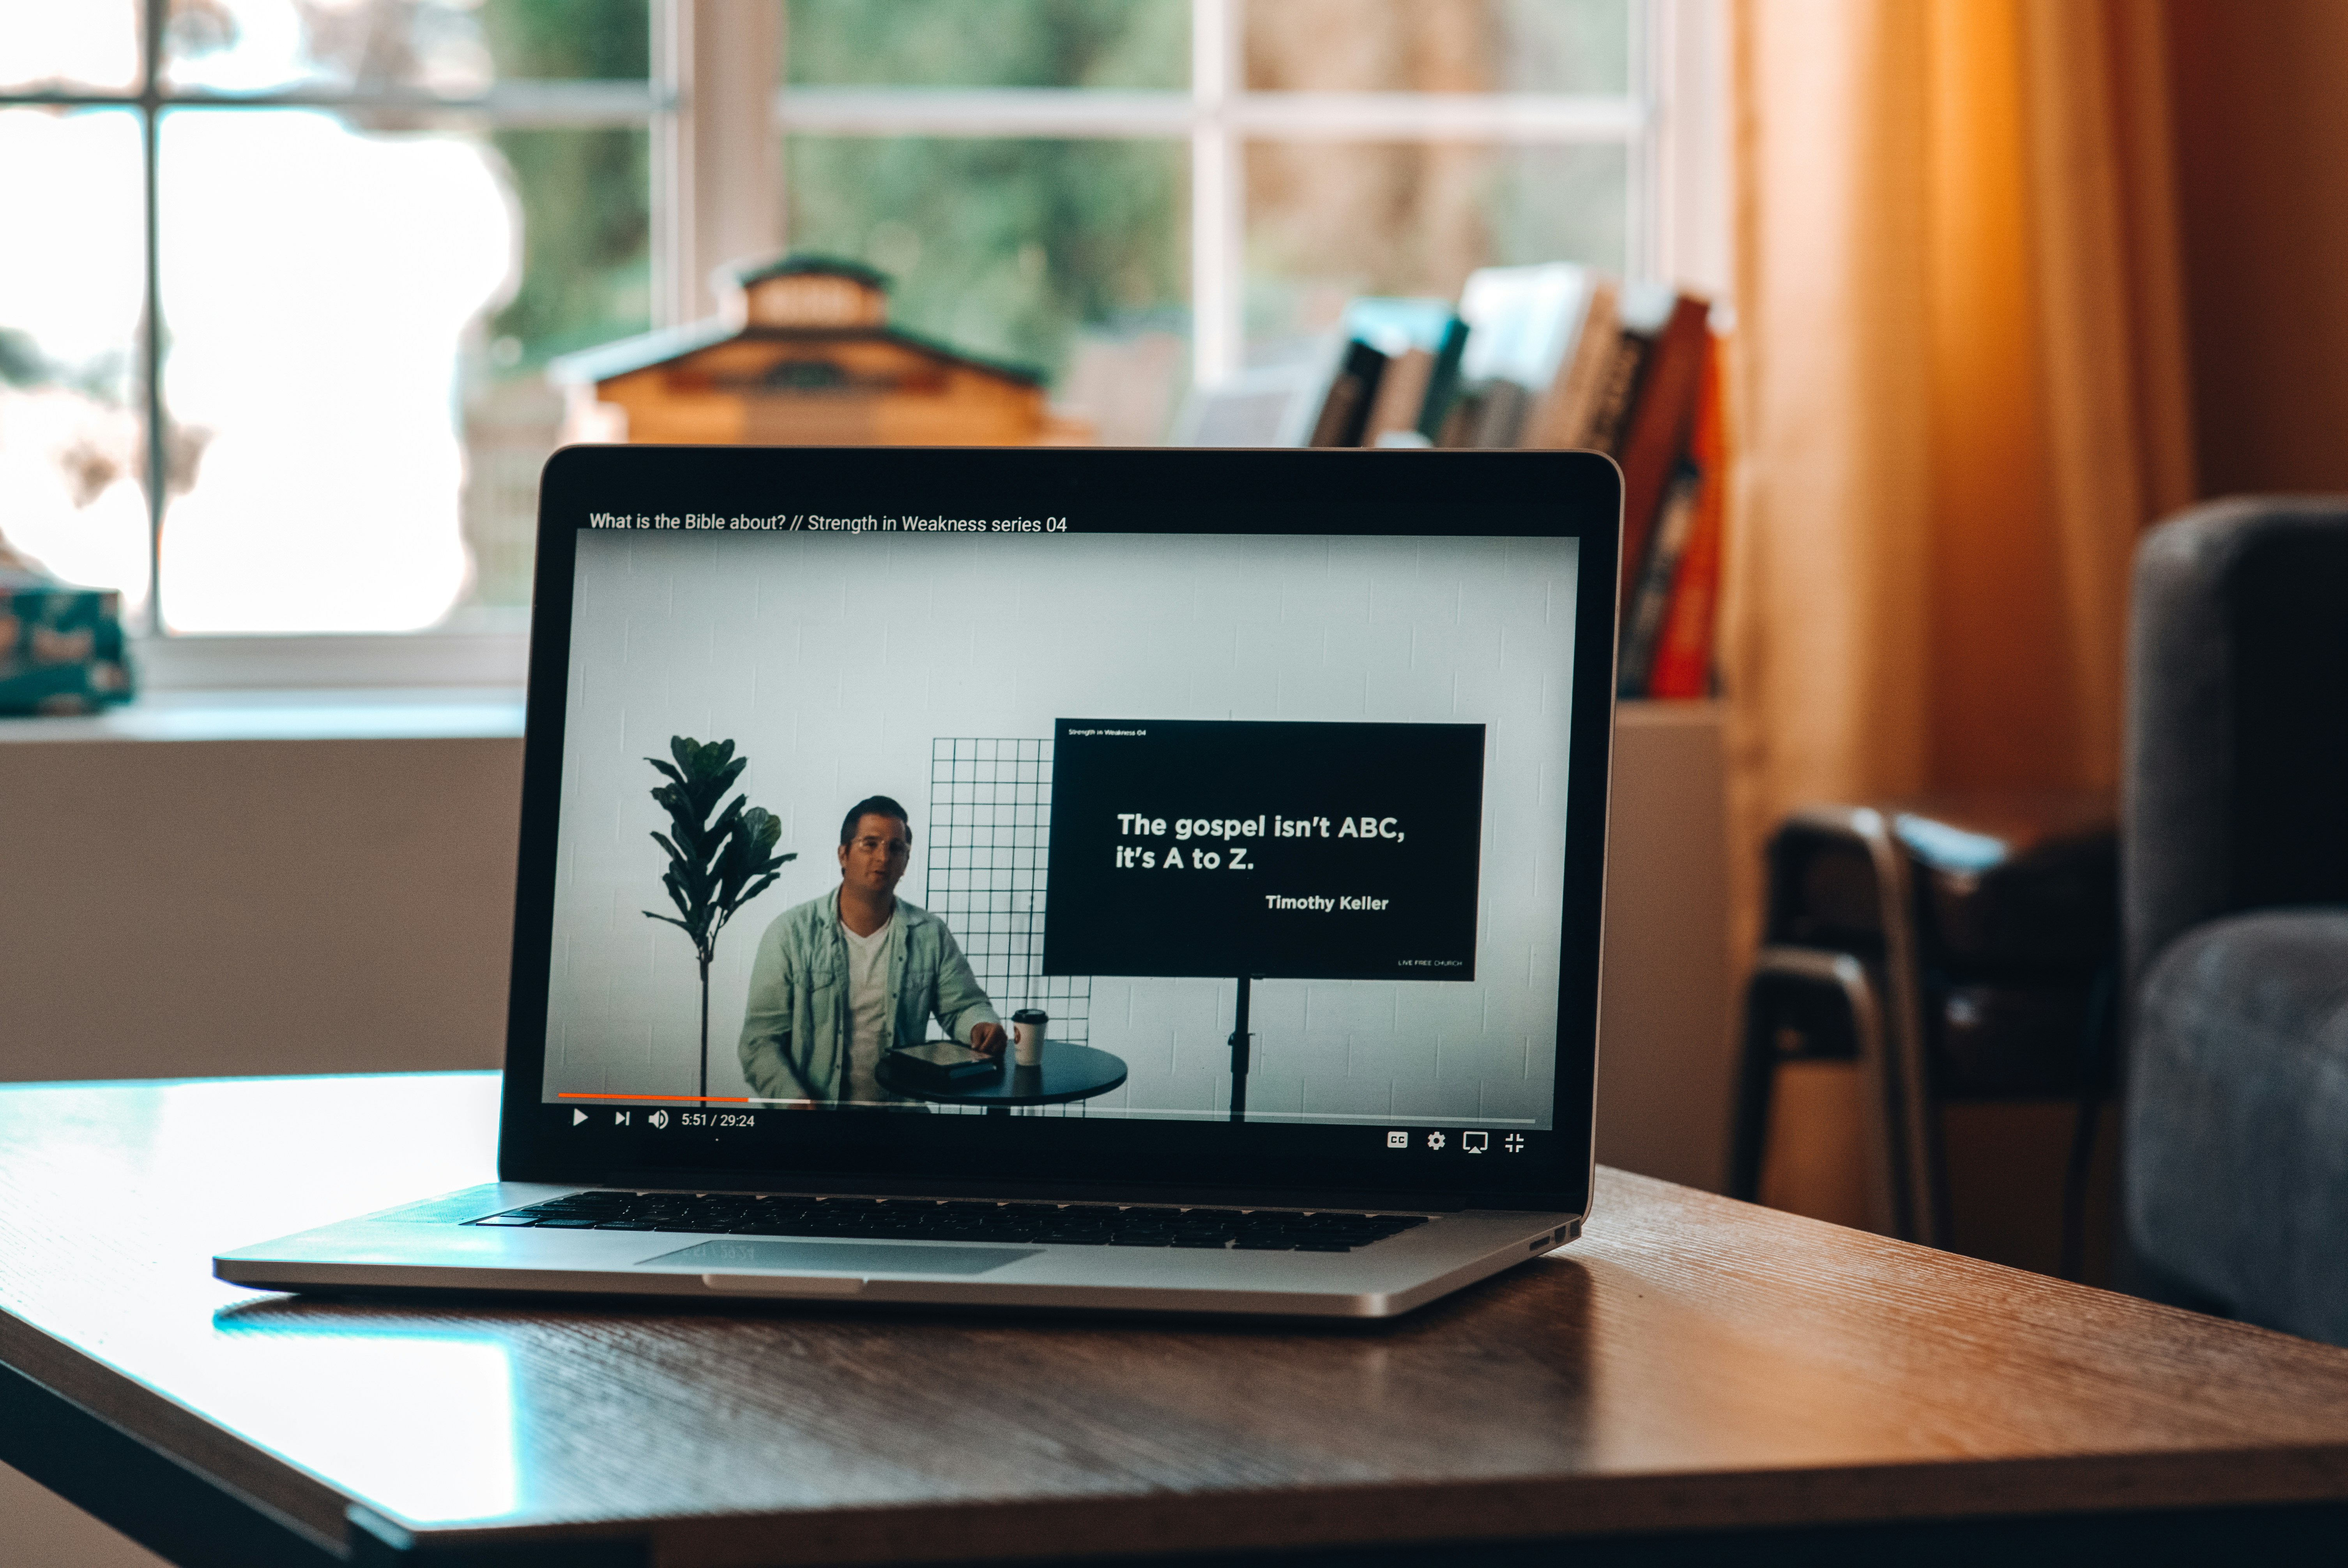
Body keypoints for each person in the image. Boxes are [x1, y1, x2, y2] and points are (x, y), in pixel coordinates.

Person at [736, 795, 1004, 1107]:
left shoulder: (930, 933)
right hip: (814, 1125)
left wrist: (981, 1025)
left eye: (896, 848)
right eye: (870, 844)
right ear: (843, 854)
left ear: (906, 861)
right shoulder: (790, 933)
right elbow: (760, 1042)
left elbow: (963, 1006)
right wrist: (791, 1099)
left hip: (901, 1123)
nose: (883, 857)